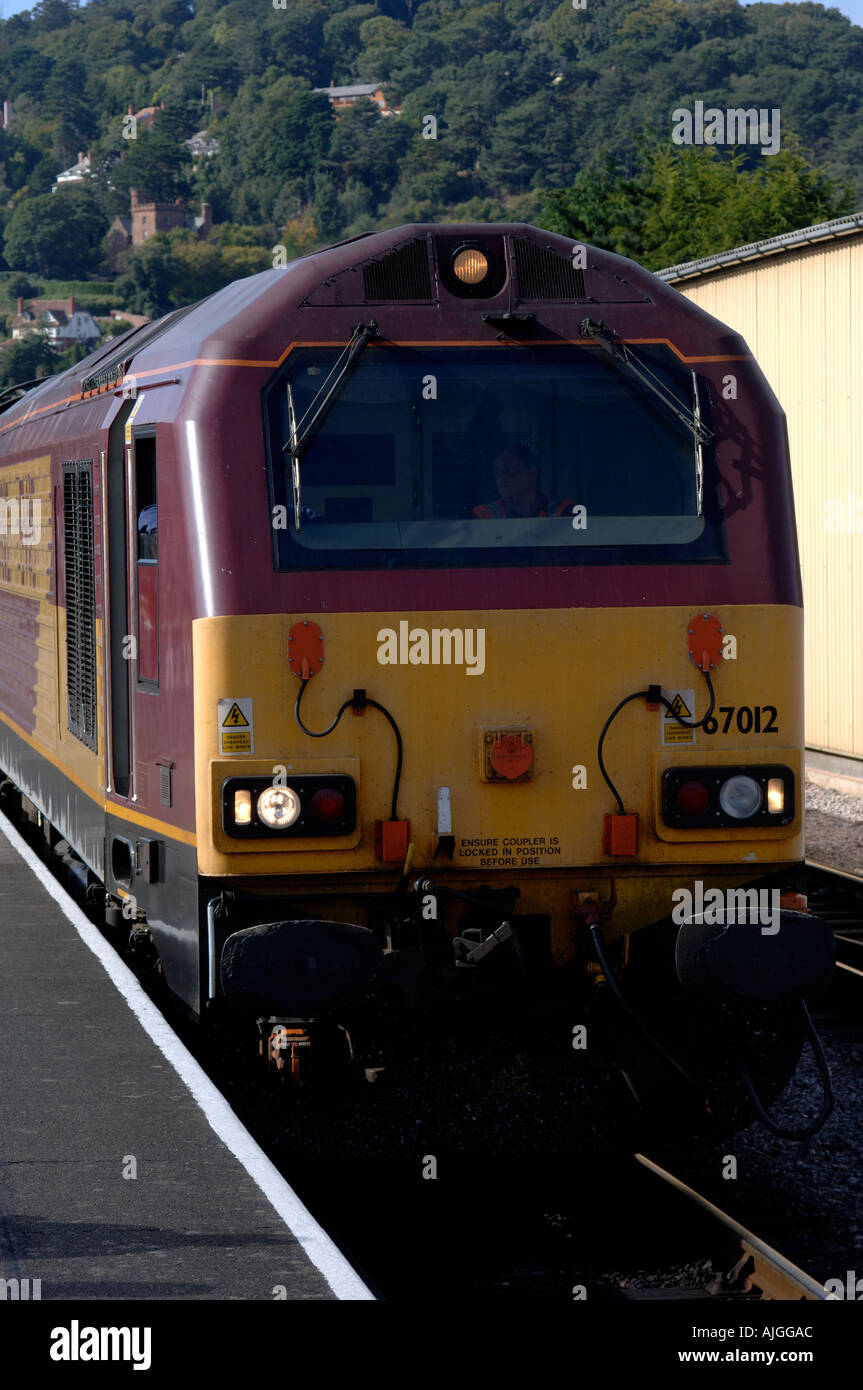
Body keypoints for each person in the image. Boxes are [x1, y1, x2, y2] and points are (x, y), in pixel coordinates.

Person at [472, 445, 571, 519]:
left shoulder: (564, 512)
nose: (501, 478)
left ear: (532, 473)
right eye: (497, 472)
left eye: (509, 470)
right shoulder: (482, 515)